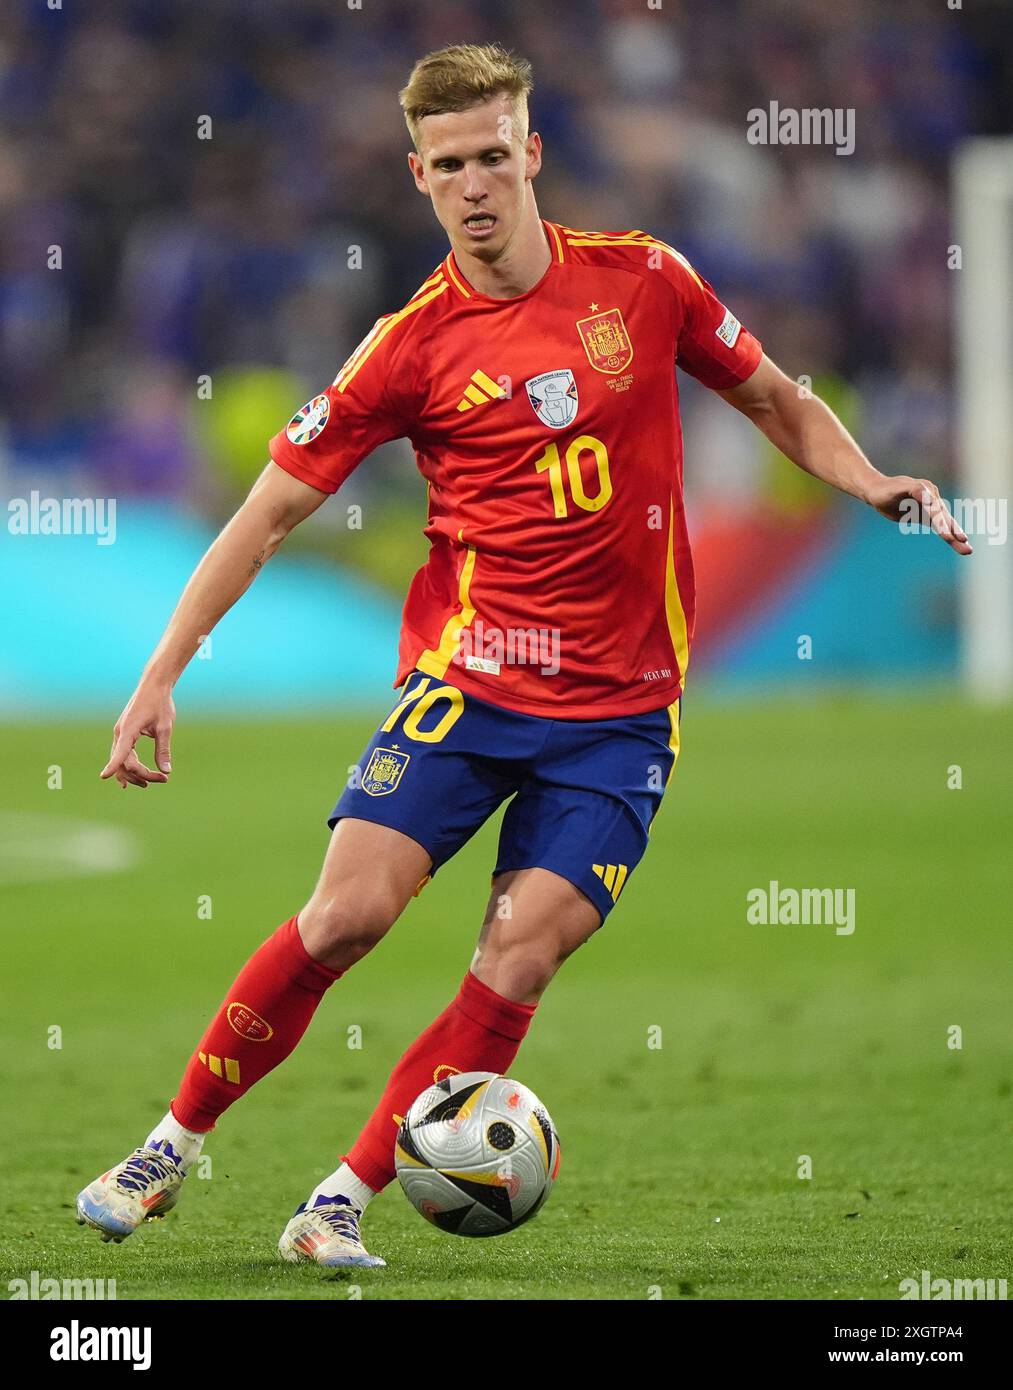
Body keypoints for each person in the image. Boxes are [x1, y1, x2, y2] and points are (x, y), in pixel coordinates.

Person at [77, 43, 970, 1269]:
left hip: (618, 718)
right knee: (344, 918)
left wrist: (867, 478)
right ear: (419, 179)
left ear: (532, 154)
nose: (475, 184)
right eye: (448, 167)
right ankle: (169, 1144)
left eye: (493, 156)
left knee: (521, 946)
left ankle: (340, 1196)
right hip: (469, 685)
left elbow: (772, 396)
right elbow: (267, 513)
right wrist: (160, 671)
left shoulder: (645, 282)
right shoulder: (406, 347)